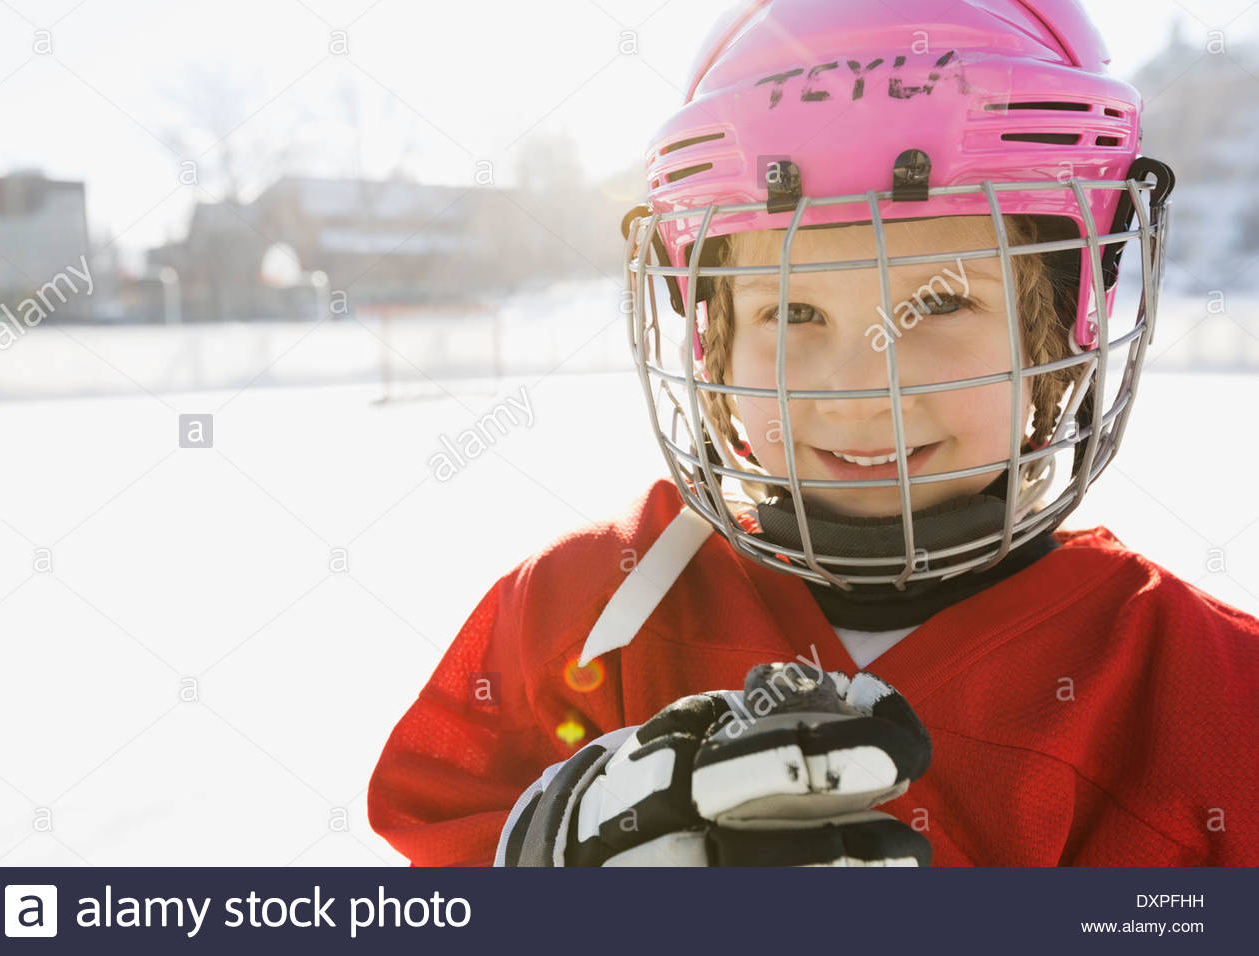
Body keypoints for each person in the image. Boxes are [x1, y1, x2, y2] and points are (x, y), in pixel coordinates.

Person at [368, 0, 1259, 866]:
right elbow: (439, 844)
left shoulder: (1214, 696)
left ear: (1058, 323)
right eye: (790, 311)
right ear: (713, 341)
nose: (861, 386)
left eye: (941, 302)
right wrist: (545, 864)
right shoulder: (578, 614)